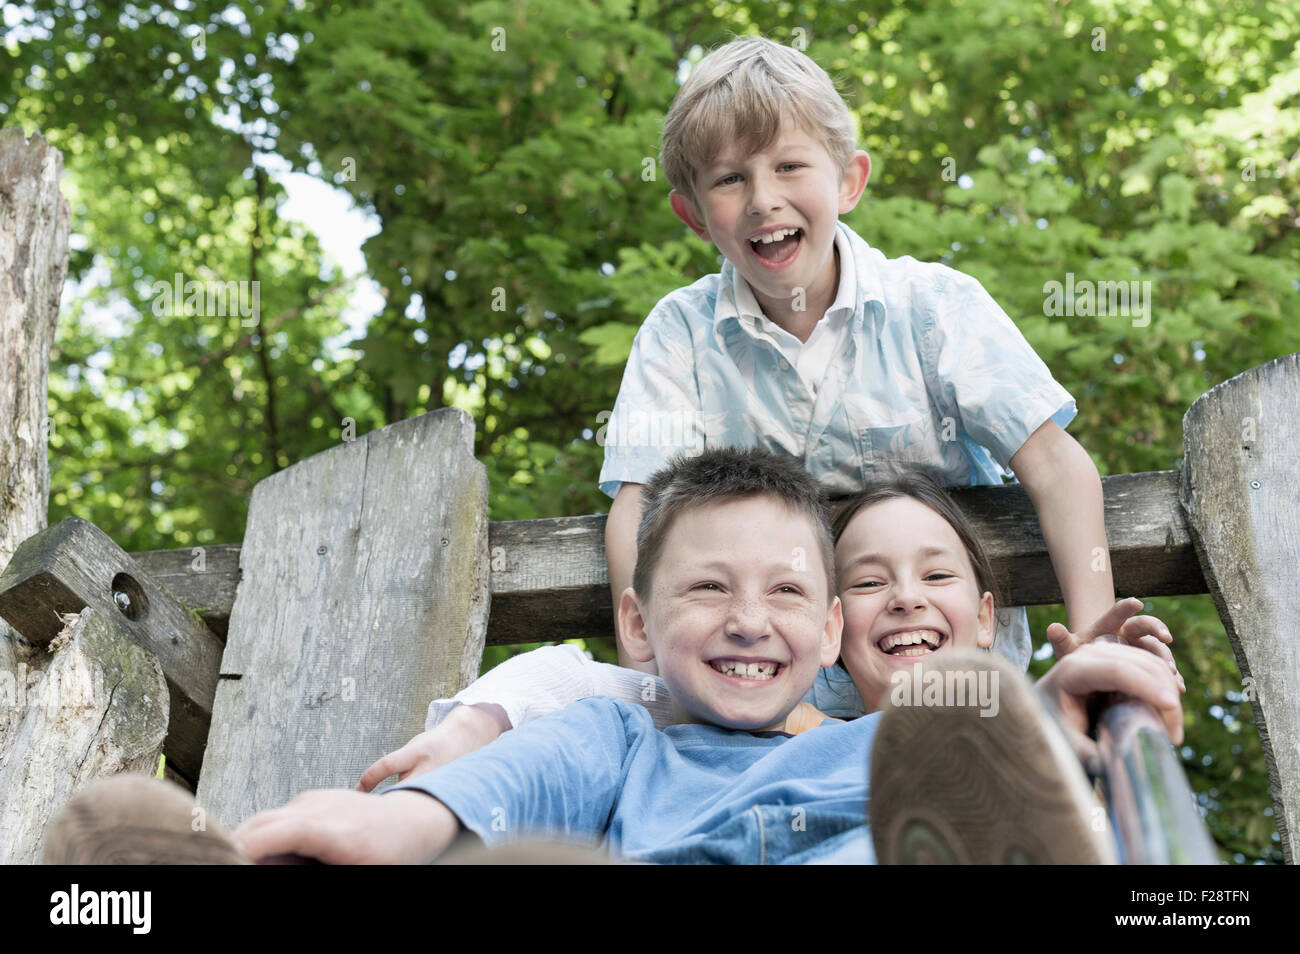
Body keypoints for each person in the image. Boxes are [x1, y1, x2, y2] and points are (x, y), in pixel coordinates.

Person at [43, 448, 1182, 865]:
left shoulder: (900, 740)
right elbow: (516, 767)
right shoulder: (619, 732)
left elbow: (1001, 751)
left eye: (788, 592)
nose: (748, 618)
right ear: (638, 627)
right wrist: (400, 818)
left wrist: (1063, 701)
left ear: (826, 634)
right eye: (706, 590)